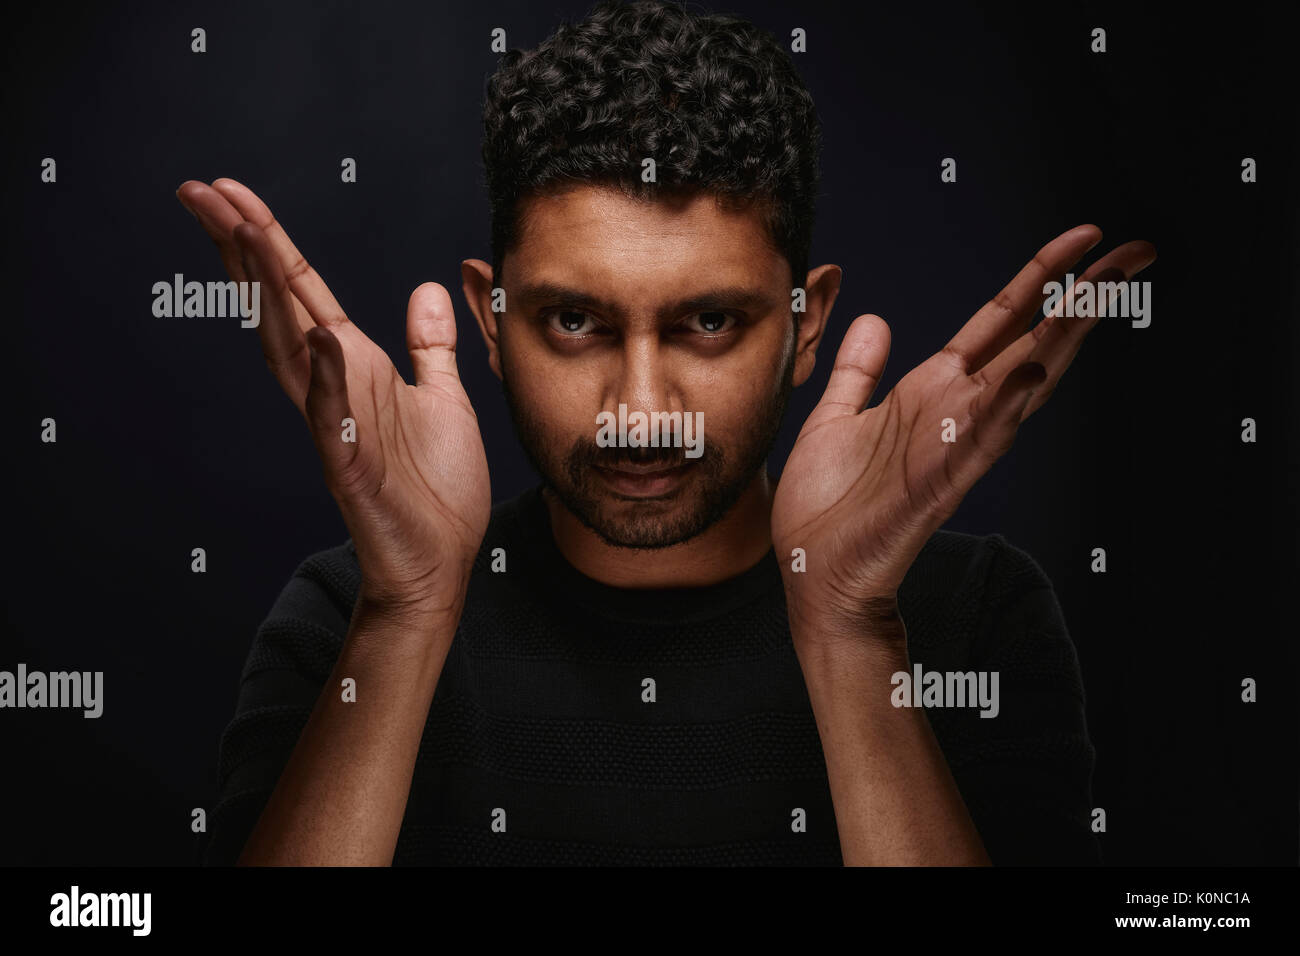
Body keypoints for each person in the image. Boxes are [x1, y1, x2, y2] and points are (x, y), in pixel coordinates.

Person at [178, 0, 1155, 865]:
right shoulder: (346, 611)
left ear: (804, 326)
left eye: (709, 322)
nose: (641, 410)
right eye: (574, 322)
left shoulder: (972, 612)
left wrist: (851, 627)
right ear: (491, 320)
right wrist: (406, 612)